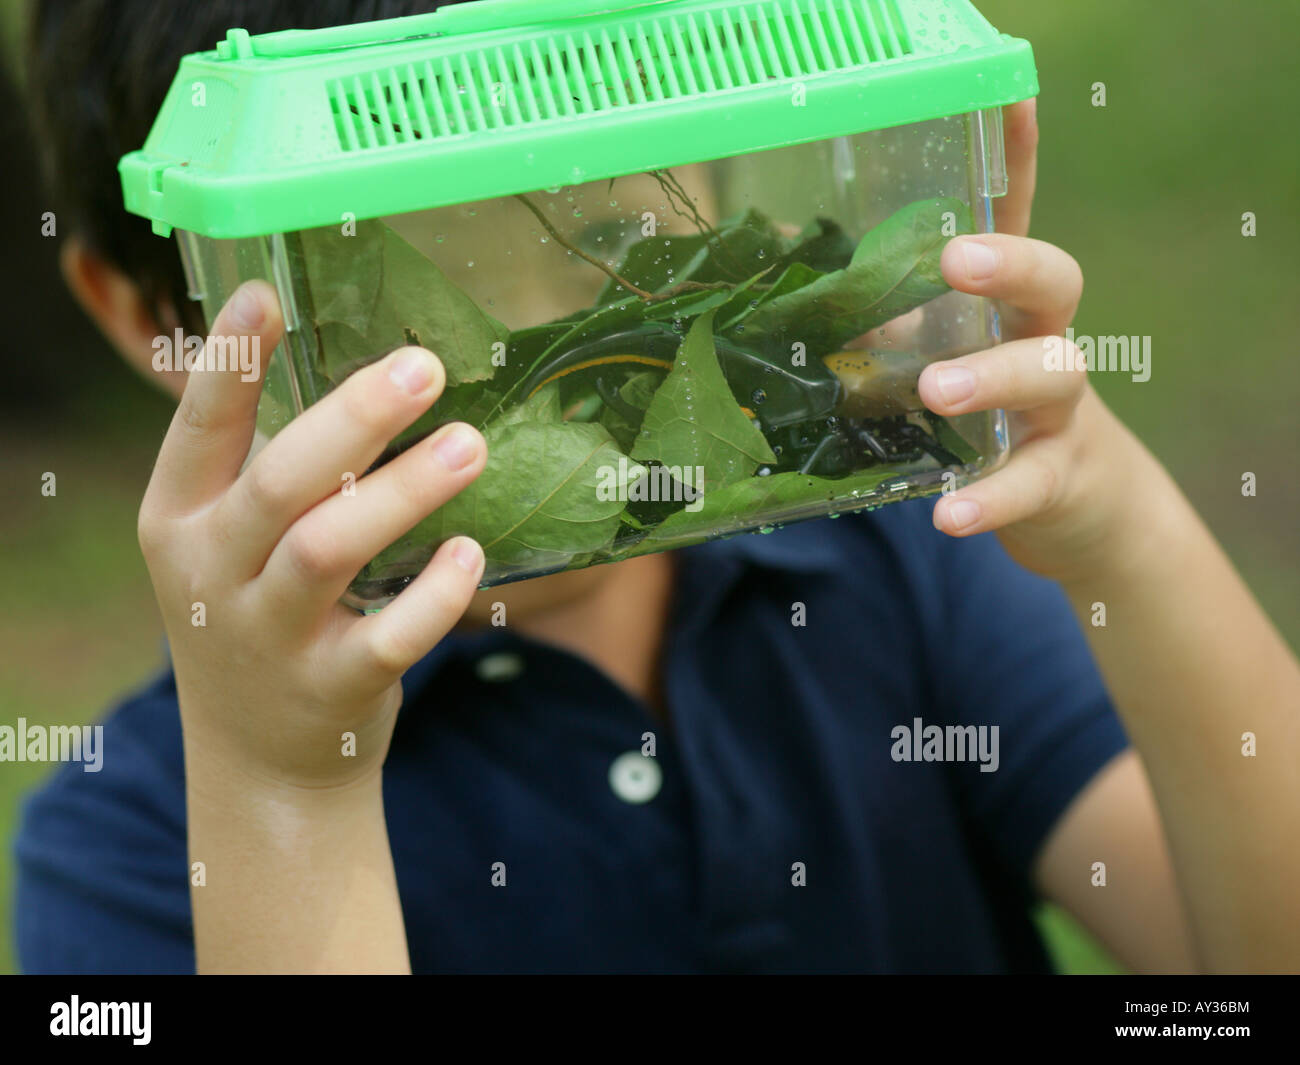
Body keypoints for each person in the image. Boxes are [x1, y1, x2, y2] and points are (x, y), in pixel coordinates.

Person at [14, 0, 1300, 975]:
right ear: (153, 315)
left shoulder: (914, 566)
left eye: (608, 248)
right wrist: (285, 791)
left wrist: (1118, 526)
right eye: (393, 312)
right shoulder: (137, 843)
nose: (546, 364)